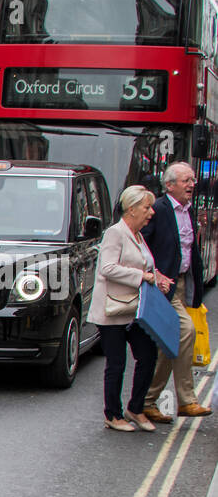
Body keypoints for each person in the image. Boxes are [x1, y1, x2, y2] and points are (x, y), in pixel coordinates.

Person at [140, 161, 212, 422]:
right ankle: (186, 400)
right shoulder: (158, 209)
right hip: (163, 286)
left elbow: (189, 249)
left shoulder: (188, 210)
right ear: (170, 185)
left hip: (183, 283)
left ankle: (148, 401)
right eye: (186, 181)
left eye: (192, 180)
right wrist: (154, 274)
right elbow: (141, 243)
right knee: (184, 331)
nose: (192, 184)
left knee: (169, 343)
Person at [91, 185, 164, 432]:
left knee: (148, 355)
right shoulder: (115, 233)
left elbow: (144, 264)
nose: (151, 212)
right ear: (131, 209)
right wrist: (142, 276)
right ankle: (112, 415)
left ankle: (135, 408)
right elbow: (107, 268)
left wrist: (157, 277)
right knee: (117, 363)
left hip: (133, 309)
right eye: (147, 207)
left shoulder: (138, 235)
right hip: (112, 309)